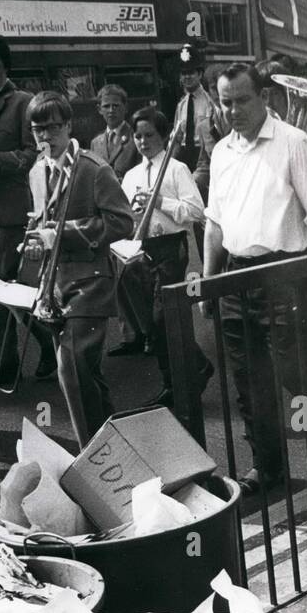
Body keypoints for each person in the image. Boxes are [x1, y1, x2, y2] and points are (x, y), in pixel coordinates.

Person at [201, 63, 307, 495]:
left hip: (287, 273)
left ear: (264, 97)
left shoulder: (294, 141)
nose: (233, 111)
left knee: (296, 371)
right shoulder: (221, 152)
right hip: (236, 276)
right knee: (250, 382)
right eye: (225, 102)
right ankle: (269, 469)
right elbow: (214, 223)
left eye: (242, 100)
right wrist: (210, 285)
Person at [25, 92, 134, 446]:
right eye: (38, 129)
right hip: (55, 285)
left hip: (90, 283)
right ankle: (113, 445)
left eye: (53, 127)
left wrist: (62, 234)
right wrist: (34, 240)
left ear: (69, 125)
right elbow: (43, 221)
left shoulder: (92, 168)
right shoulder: (36, 172)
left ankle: (91, 455)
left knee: (70, 370)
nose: (45, 137)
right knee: (85, 374)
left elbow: (121, 223)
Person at [0, 31, 56, 388]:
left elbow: (34, 153)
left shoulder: (24, 102)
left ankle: (46, 343)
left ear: (6, 67)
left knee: (2, 288)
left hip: (12, 208)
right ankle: (5, 363)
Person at [119, 106, 210, 409]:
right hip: (142, 249)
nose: (143, 142)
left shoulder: (176, 169)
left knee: (163, 318)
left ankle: (190, 372)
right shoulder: (131, 175)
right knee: (150, 323)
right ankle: (175, 380)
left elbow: (196, 211)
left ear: (161, 137)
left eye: (149, 135)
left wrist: (161, 202)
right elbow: (123, 218)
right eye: (138, 136)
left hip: (171, 247)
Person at [91, 85, 150, 359]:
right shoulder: (95, 143)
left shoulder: (135, 136)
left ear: (124, 108)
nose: (111, 110)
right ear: (99, 109)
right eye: (106, 106)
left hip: (130, 215)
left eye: (116, 105)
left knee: (135, 276)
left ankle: (149, 333)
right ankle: (130, 335)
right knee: (116, 278)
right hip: (105, 217)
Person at [172, 42, 225, 259]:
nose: (187, 78)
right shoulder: (181, 105)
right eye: (183, 74)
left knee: (215, 216)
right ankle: (206, 262)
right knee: (197, 216)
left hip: (210, 161)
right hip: (189, 159)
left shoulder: (212, 101)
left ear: (200, 74)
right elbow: (176, 140)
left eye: (191, 73)